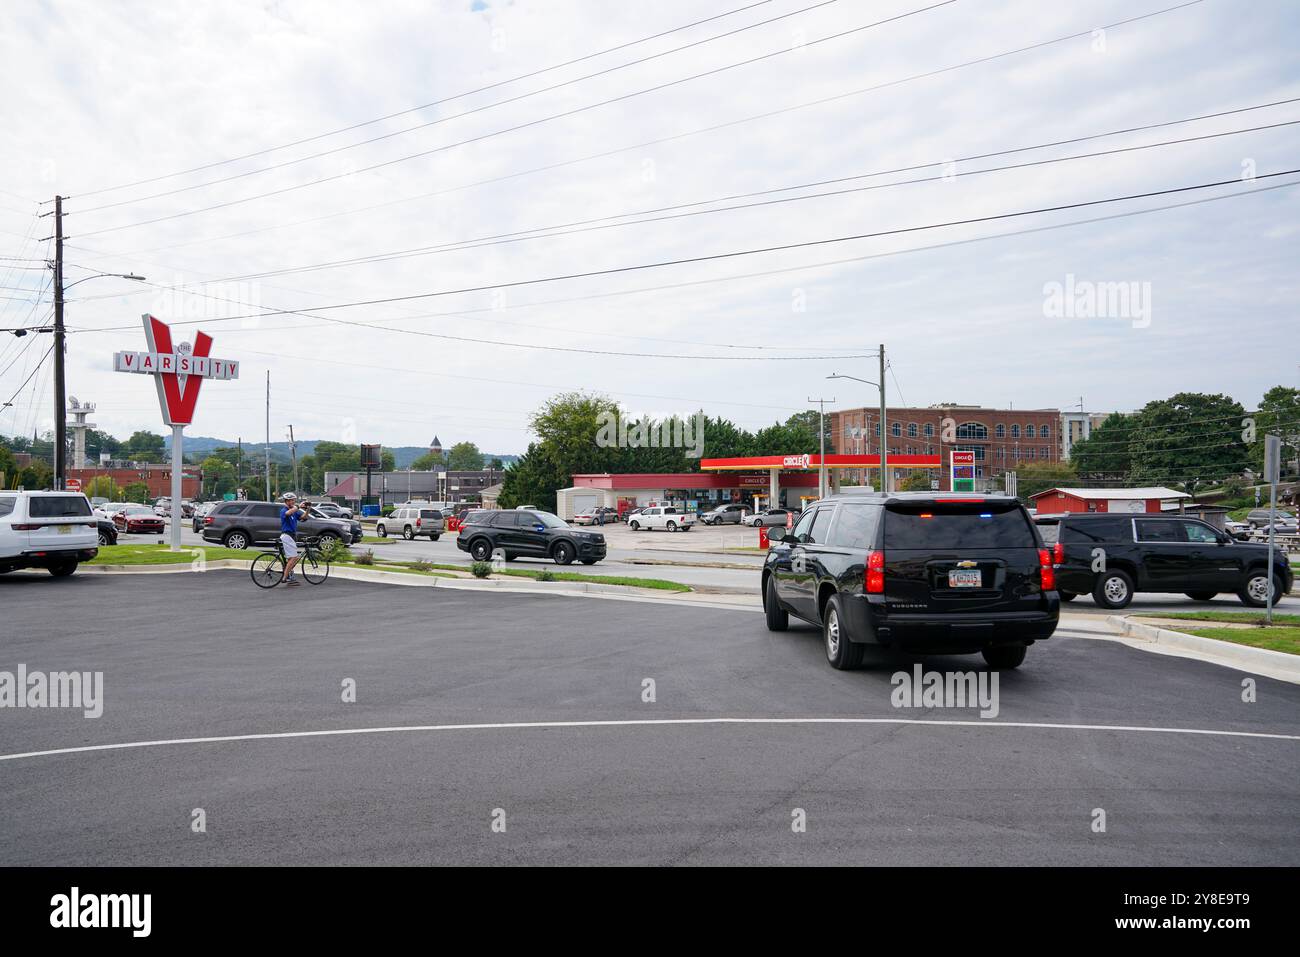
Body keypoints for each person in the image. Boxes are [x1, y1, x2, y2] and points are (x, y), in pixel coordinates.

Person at [279, 493, 308, 585]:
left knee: (292, 558)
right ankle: (285, 578)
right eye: (291, 500)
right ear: (287, 501)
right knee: (294, 558)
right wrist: (298, 506)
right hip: (287, 536)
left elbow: (303, 517)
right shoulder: (284, 510)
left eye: (294, 500)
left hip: (291, 536)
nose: (293, 502)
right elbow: (288, 513)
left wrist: (308, 510)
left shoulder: (294, 511)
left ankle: (290, 577)